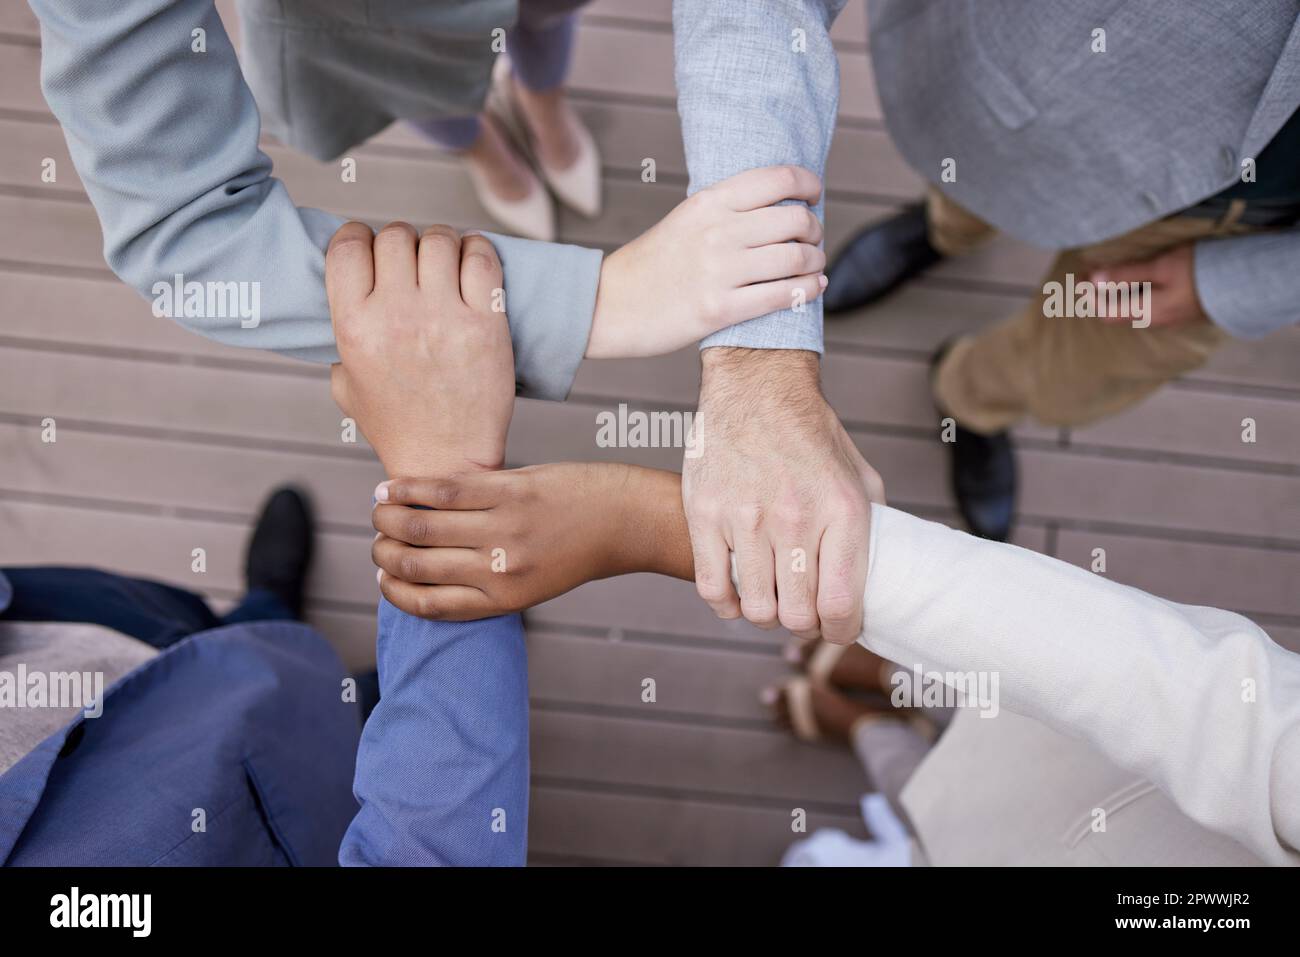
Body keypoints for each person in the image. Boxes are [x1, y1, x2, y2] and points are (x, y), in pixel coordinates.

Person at [31, 0, 882, 647]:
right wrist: (599, 299)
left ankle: (544, 111)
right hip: (373, 23)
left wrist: (761, 356)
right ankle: (484, 143)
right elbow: (184, 228)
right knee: (432, 92)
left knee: (546, 33)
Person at [364, 459, 1300, 866]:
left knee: (957, 809)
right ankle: (887, 677)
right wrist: (668, 528)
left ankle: (873, 707)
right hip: (1136, 795)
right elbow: (1198, 704)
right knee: (1033, 713)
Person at [1, 223, 535, 867]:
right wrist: (447, 495)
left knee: (216, 634)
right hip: (255, 792)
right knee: (350, 729)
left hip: (71, 630)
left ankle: (266, 607)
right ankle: (381, 688)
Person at [821, 0, 1300, 541]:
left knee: (1069, 377)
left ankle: (965, 399)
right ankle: (941, 231)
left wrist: (1231, 282)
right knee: (970, 181)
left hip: (1242, 219)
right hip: (1071, 94)